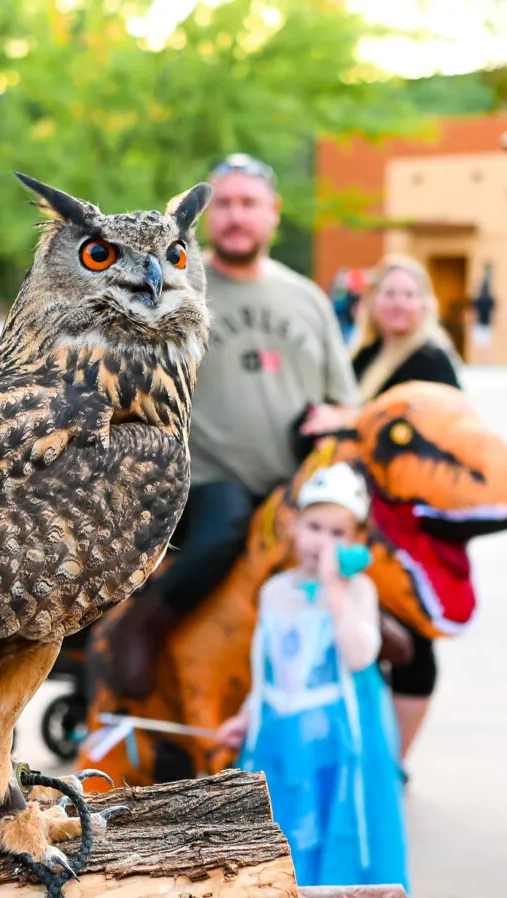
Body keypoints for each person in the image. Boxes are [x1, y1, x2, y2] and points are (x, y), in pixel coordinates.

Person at [98, 154, 359, 700]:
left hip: (293, 486)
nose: (236, 216)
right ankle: (140, 629)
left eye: (249, 204)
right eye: (225, 205)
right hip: (201, 483)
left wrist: (337, 418)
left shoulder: (307, 297)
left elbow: (344, 400)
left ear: (274, 213)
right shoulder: (168, 289)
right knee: (225, 527)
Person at [215, 463, 407, 889]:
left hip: (335, 741)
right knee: (288, 823)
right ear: (294, 526)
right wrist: (246, 718)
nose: (323, 542)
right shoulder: (274, 591)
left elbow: (360, 656)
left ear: (356, 542)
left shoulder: (358, 590)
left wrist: (335, 590)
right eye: (315, 527)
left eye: (338, 534)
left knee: (333, 826)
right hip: (282, 736)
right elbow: (270, 672)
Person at [302, 254, 459, 761]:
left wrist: (347, 418)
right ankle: (362, 751)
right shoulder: (363, 353)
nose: (399, 303)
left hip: (407, 521)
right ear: (371, 302)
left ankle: (394, 762)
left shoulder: (431, 359)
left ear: (425, 304)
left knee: (409, 636)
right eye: (389, 293)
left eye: (409, 294)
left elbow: (425, 433)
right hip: (357, 514)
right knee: (359, 621)